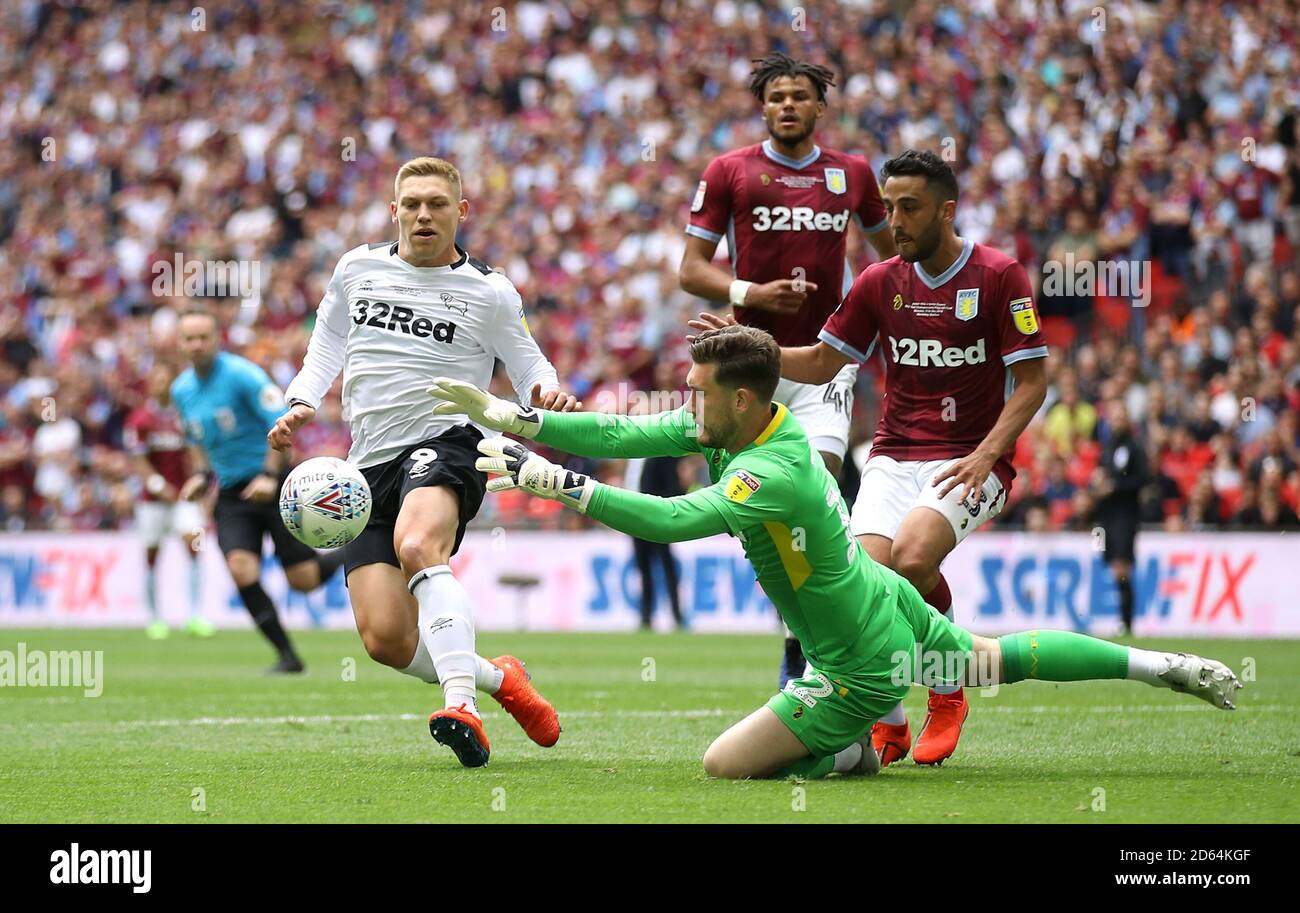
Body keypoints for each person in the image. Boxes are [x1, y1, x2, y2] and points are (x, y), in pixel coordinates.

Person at [430, 325, 1240, 780]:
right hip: (885, 602)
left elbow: (673, 521)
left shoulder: (774, 470)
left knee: (722, 765)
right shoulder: (731, 422)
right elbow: (610, 430)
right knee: (992, 659)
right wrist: (513, 416)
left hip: (858, 664)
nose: (685, 403)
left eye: (698, 391)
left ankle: (849, 745)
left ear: (742, 399)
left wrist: (554, 484)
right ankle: (1159, 664)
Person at [691, 149, 1049, 766]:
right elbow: (825, 360)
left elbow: (1034, 381)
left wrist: (989, 455)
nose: (896, 220)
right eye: (888, 207)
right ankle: (886, 717)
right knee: (860, 584)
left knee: (911, 557)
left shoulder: (999, 275)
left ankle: (946, 684)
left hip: (970, 457)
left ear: (947, 210)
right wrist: (749, 349)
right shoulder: (880, 281)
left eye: (909, 208)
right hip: (891, 455)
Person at [270, 156, 576, 767]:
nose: (423, 214)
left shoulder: (489, 290)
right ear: (394, 211)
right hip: (366, 466)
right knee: (385, 638)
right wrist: (303, 398)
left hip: (450, 442)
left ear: (461, 211)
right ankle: (500, 679)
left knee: (418, 545)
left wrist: (545, 390)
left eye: (436, 203)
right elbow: (327, 340)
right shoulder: (356, 269)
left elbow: (529, 361)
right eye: (411, 204)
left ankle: (462, 704)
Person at [678, 51, 898, 688]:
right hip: (750, 368)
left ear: (820, 107)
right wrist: (750, 295)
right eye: (777, 97)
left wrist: (879, 318)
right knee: (765, 516)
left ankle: (812, 651)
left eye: (800, 96)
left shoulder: (852, 174)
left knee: (818, 493)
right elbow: (691, 269)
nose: (788, 106)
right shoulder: (730, 171)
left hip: (826, 364)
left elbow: (892, 263)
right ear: (763, 107)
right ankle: (800, 632)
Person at [172, 308, 341, 673]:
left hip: (275, 483)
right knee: (241, 569)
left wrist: (269, 474)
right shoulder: (181, 389)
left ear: (217, 339)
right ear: (180, 344)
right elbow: (194, 438)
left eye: (203, 337)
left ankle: (354, 548)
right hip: (233, 493)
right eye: (189, 338)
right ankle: (287, 655)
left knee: (304, 581)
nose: (196, 345)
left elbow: (279, 424)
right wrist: (202, 474)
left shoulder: (243, 376)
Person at [123, 363, 212, 639]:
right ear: (151, 384)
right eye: (157, 379)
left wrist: (199, 479)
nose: (161, 384)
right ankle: (154, 618)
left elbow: (197, 452)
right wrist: (158, 485)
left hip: (183, 496)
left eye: (166, 379)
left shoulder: (184, 417)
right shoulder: (140, 420)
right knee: (152, 554)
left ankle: (195, 615)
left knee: (194, 543)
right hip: (152, 500)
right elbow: (137, 460)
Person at [1092, 400, 1148, 634]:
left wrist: (1114, 487)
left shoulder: (1134, 448)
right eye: (1113, 418)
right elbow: (1100, 475)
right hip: (1107, 516)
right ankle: (1122, 620)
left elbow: (1142, 479)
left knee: (1122, 567)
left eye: (1121, 417)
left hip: (1125, 516)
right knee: (1114, 566)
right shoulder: (1107, 448)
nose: (1117, 422)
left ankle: (1127, 622)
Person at [625, 454, 686, 630]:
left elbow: (671, 484)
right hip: (634, 518)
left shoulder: (659, 453)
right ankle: (646, 617)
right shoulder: (633, 457)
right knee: (644, 569)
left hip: (655, 517)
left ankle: (677, 615)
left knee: (666, 567)